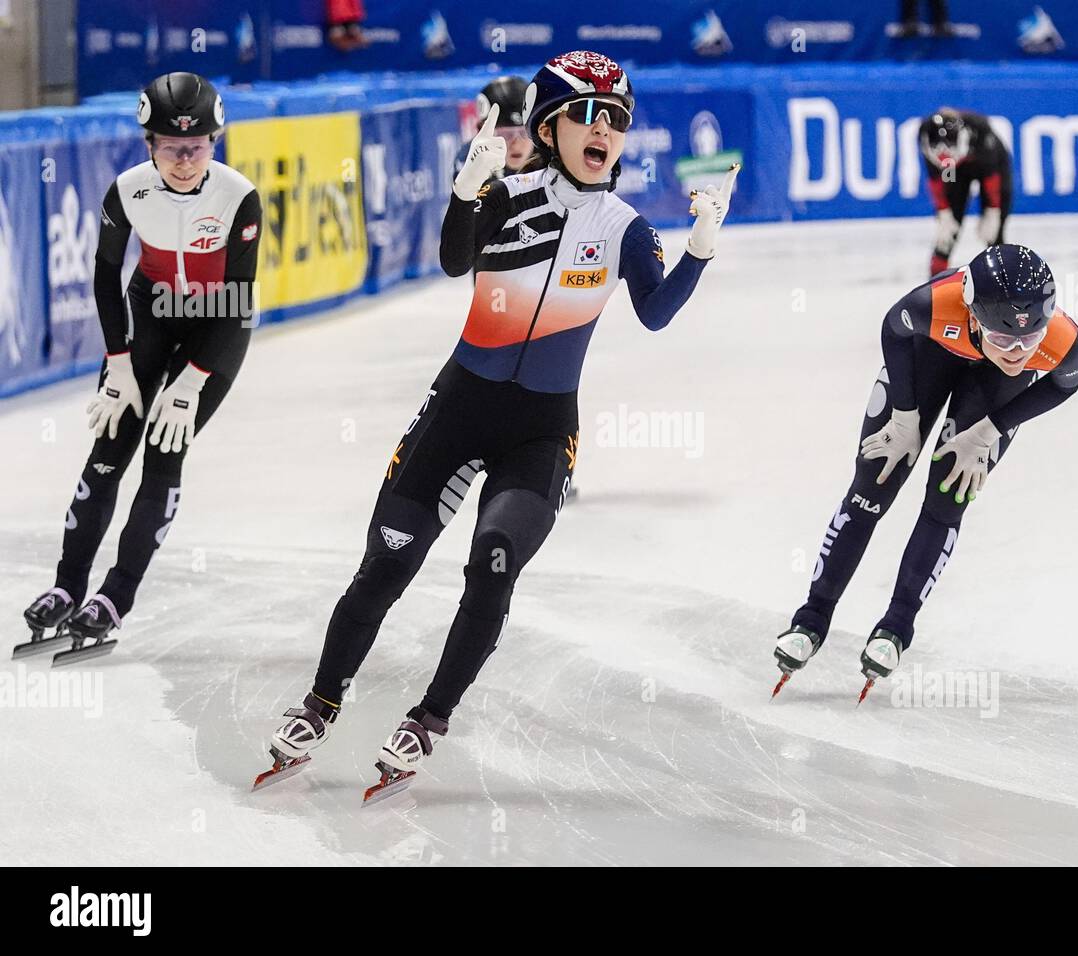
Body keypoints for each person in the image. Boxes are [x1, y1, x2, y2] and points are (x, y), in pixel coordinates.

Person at [259, 50, 740, 797]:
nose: (601, 130)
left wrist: (700, 250)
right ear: (548, 129)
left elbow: (655, 314)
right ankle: (321, 701)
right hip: (457, 410)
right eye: (583, 114)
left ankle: (429, 717)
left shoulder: (626, 227)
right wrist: (463, 191)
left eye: (614, 119)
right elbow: (457, 259)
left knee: (493, 563)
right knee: (384, 568)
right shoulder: (508, 196)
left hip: (540, 431)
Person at [16, 72, 262, 665]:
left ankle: (114, 597)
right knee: (107, 450)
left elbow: (240, 298)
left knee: (162, 451)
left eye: (198, 146)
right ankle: (67, 586)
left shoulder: (238, 196)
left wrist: (191, 382)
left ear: (215, 142)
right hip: (148, 317)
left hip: (216, 327)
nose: (185, 159)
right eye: (172, 147)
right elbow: (105, 277)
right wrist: (119, 364)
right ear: (148, 144)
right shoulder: (127, 190)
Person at [771, 245, 1078, 700]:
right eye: (1003, 339)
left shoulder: (1064, 342)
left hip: (994, 392)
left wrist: (989, 431)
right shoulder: (933, 305)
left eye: (1029, 339)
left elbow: (1064, 384)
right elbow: (893, 329)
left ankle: (897, 625)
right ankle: (812, 616)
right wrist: (904, 418)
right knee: (873, 484)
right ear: (974, 316)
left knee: (949, 493)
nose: (1017, 352)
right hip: (929, 354)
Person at [919, 108, 1011, 277]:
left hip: (990, 167)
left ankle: (1001, 276)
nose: (943, 153)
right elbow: (937, 181)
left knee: (994, 231)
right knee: (948, 230)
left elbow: (992, 178)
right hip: (953, 170)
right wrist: (943, 211)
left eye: (947, 149)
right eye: (938, 150)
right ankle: (936, 278)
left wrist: (993, 209)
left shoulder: (980, 132)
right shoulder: (926, 134)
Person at [450, 76, 534, 185]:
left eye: (524, 133)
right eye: (506, 135)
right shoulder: (470, 162)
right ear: (482, 133)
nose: (516, 144)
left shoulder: (553, 154)